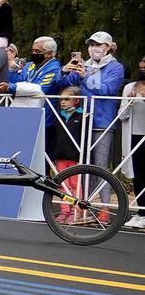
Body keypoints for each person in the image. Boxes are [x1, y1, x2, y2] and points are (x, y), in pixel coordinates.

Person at [56, 31, 125, 209]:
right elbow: (63, 83)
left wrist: (85, 76)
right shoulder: (83, 65)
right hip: (82, 121)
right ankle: (83, 207)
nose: (93, 48)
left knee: (101, 166)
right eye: (91, 44)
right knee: (83, 165)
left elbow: (107, 90)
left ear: (108, 47)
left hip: (103, 122)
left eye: (98, 44)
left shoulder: (115, 67)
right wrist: (64, 71)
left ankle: (104, 208)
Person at [0, 36, 61, 124]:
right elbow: (19, 82)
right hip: (25, 111)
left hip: (43, 115)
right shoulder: (30, 65)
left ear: (50, 54)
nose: (34, 53)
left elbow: (39, 89)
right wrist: (13, 72)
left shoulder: (54, 69)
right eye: (33, 50)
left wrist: (11, 87)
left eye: (37, 51)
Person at [48, 87, 87, 225]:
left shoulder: (82, 116)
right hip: (61, 156)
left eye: (66, 99)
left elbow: (85, 137)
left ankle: (77, 210)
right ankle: (65, 210)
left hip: (75, 156)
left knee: (75, 184)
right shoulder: (58, 116)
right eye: (61, 100)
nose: (63, 102)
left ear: (76, 101)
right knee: (63, 184)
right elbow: (54, 136)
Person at [119, 57, 145, 229]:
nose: (142, 69)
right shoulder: (130, 87)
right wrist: (129, 102)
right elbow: (122, 115)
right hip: (135, 135)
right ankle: (141, 212)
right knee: (139, 175)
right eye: (140, 66)